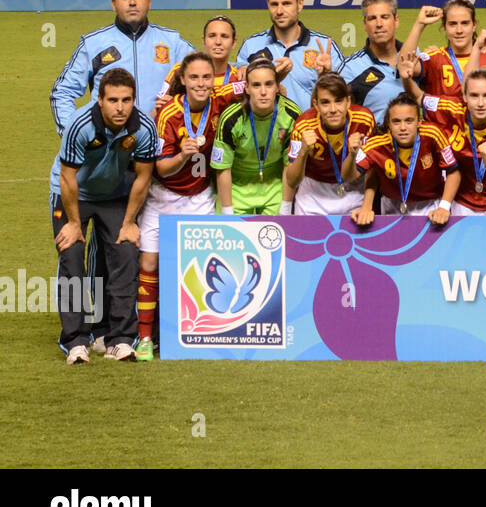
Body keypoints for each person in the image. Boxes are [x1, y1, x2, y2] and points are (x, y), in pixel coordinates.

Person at [136, 53, 241, 361]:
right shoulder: (167, 114)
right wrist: (182, 156)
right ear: (182, 80)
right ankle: (144, 339)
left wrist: (269, 74)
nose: (201, 84)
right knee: (150, 265)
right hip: (163, 196)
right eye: (194, 78)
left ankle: (197, 334)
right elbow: (161, 169)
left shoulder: (221, 96)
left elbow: (260, 85)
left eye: (206, 78)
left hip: (200, 198)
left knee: (201, 266)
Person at [51, 68, 156, 363]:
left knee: (124, 254)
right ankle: (75, 342)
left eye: (126, 100)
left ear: (134, 99)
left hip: (114, 195)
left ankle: (119, 340)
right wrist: (73, 223)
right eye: (113, 100)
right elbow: (67, 178)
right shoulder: (80, 125)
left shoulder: (143, 127)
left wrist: (130, 222)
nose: (120, 107)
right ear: (99, 100)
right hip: (75, 196)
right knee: (72, 255)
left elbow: (142, 178)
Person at [51, 0, 193, 136]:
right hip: (109, 148)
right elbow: (62, 91)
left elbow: (209, 76)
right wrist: (73, 135)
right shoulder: (93, 43)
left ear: (149, 2)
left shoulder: (172, 42)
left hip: (158, 146)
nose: (132, 2)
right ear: (114, 4)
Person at [420, 68, 486, 217]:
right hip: (463, 204)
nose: (480, 103)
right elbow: (420, 98)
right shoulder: (451, 110)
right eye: (474, 96)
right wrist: (406, 77)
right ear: (464, 96)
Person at [346, 94, 459, 223]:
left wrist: (444, 207)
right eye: (396, 121)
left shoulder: (433, 134)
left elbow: (453, 171)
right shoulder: (376, 144)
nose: (403, 128)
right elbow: (351, 176)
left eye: (409, 120)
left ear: (419, 121)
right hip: (391, 206)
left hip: (430, 205)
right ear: (389, 123)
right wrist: (352, 154)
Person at [236, 0, 344, 110]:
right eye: (274, 4)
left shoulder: (325, 46)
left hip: (310, 128)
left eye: (286, 4)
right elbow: (239, 97)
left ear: (300, 4)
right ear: (268, 4)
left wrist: (327, 76)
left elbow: (343, 98)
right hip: (266, 129)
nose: (279, 11)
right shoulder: (250, 46)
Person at [212, 58, 301, 216]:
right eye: (256, 85)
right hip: (237, 187)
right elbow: (223, 168)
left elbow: (290, 164)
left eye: (269, 84)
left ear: (277, 87)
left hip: (275, 186)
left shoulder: (292, 114)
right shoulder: (231, 118)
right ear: (246, 88)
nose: (263, 92)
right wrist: (227, 210)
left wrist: (286, 205)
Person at [284, 73, 375, 216]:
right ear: (316, 104)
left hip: (353, 192)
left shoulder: (364, 120)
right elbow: (291, 180)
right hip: (313, 196)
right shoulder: (303, 125)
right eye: (325, 102)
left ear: (348, 102)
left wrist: (367, 205)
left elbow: (370, 169)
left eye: (338, 101)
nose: (333, 109)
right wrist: (303, 152)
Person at [399, 0, 486, 103]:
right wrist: (419, 24)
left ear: (474, 26)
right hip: (443, 121)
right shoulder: (434, 58)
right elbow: (404, 65)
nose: (459, 30)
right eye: (452, 24)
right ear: (444, 27)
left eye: (465, 23)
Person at [339, 0, 405, 124]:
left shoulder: (416, 57)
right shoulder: (350, 68)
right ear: (364, 24)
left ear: (396, 20)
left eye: (385, 17)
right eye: (372, 18)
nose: (379, 24)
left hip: (416, 144)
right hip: (372, 143)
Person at [158, 14, 242, 113]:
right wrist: (163, 106)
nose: (218, 42)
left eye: (224, 36)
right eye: (212, 36)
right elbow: (158, 109)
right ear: (204, 41)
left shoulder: (239, 78)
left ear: (234, 43)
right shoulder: (180, 70)